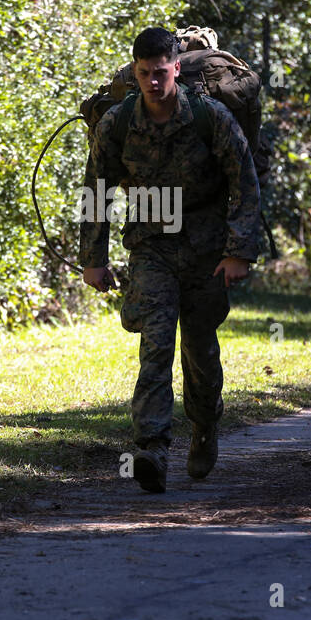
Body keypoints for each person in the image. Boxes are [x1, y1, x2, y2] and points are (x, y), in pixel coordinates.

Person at [79, 27, 261, 493]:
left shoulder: (210, 117)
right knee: (155, 346)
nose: (153, 82)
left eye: (160, 72)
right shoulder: (117, 123)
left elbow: (244, 181)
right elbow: (96, 190)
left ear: (176, 68)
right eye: (144, 74)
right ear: (135, 72)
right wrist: (93, 259)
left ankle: (204, 425)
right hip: (151, 248)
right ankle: (152, 447)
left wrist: (239, 251)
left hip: (206, 250)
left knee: (199, 349)